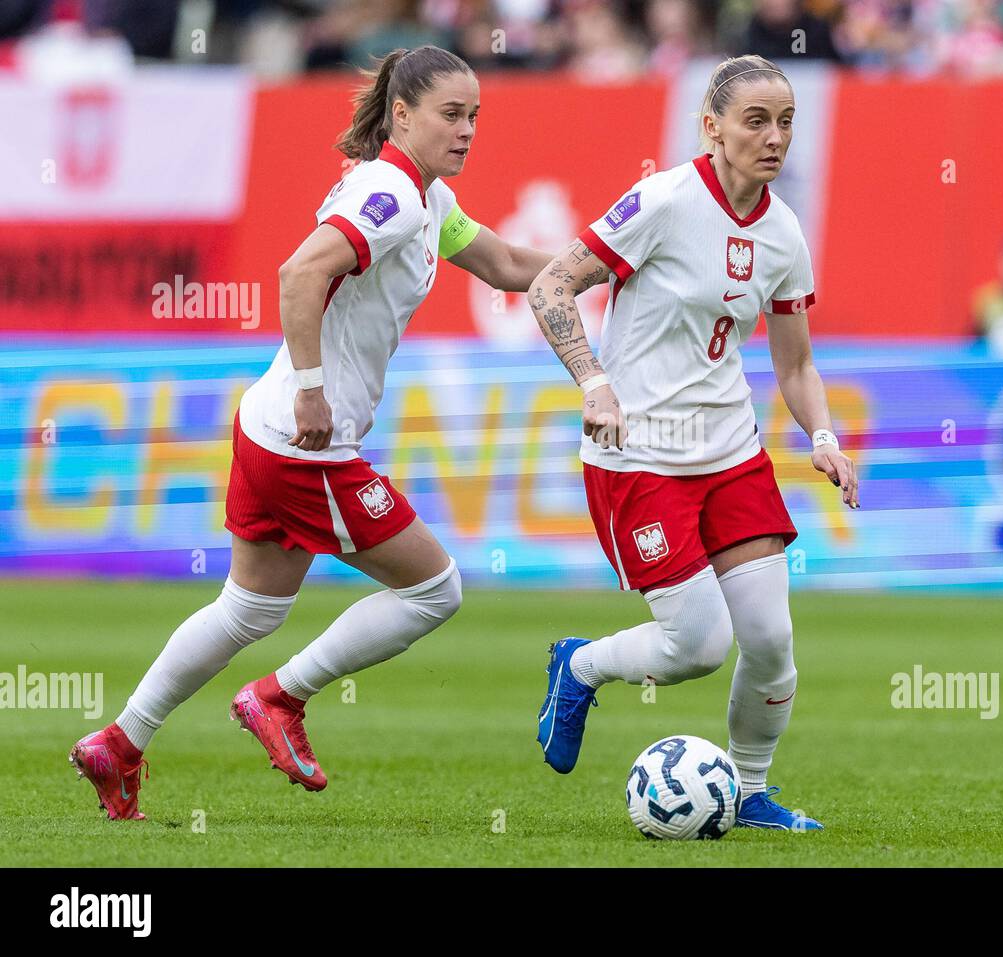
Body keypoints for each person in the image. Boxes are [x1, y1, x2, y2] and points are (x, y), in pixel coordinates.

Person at [69, 45, 555, 820]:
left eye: (475, 117)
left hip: (268, 430)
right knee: (435, 589)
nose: (467, 132)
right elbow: (299, 274)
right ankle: (279, 697)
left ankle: (120, 743)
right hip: (304, 442)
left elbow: (501, 263)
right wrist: (311, 390)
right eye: (451, 115)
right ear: (402, 115)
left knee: (247, 610)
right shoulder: (391, 193)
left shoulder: (425, 197)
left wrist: (603, 262)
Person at [527, 55, 859, 831]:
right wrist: (593, 381)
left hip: (731, 454)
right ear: (710, 128)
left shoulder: (783, 233)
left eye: (785, 122)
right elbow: (549, 287)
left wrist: (824, 435)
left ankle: (749, 793)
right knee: (697, 646)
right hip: (640, 458)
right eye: (755, 121)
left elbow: (796, 359)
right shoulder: (663, 201)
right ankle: (578, 664)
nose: (774, 137)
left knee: (772, 642)